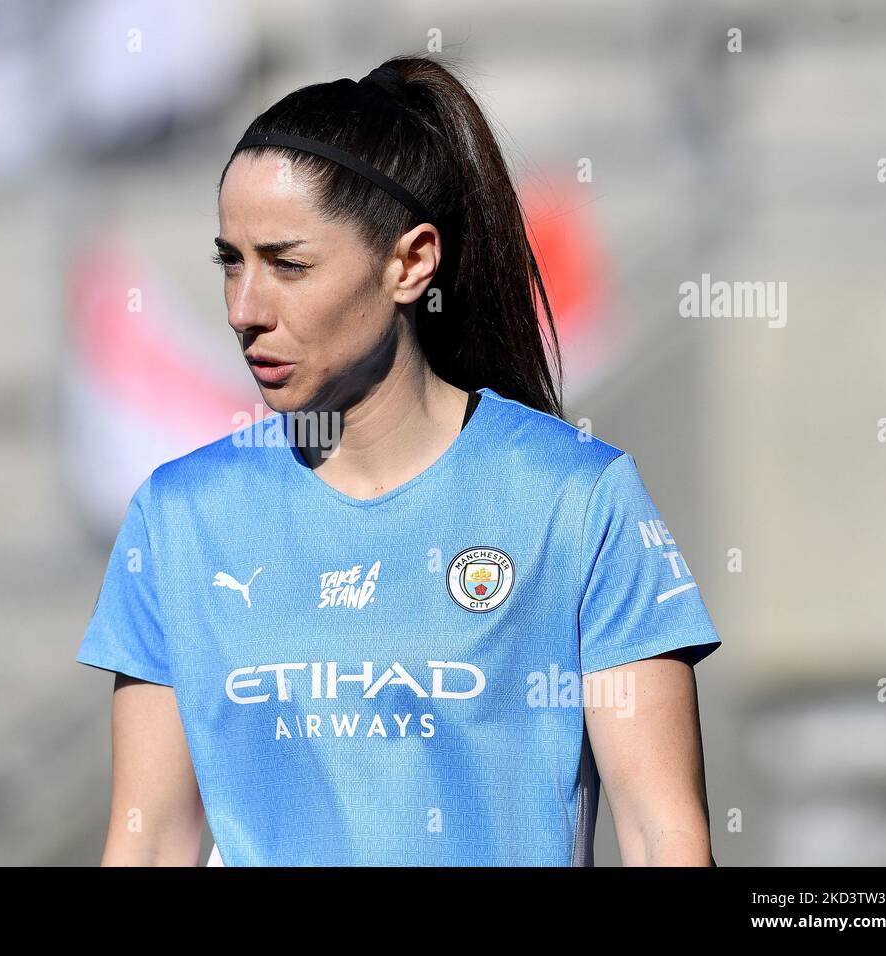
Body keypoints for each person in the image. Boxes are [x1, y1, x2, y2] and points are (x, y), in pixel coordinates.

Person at [76, 54, 722, 866]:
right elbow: (150, 838)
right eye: (229, 262)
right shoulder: (179, 517)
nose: (244, 308)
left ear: (411, 263)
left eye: (288, 263)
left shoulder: (574, 498)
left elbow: (663, 833)